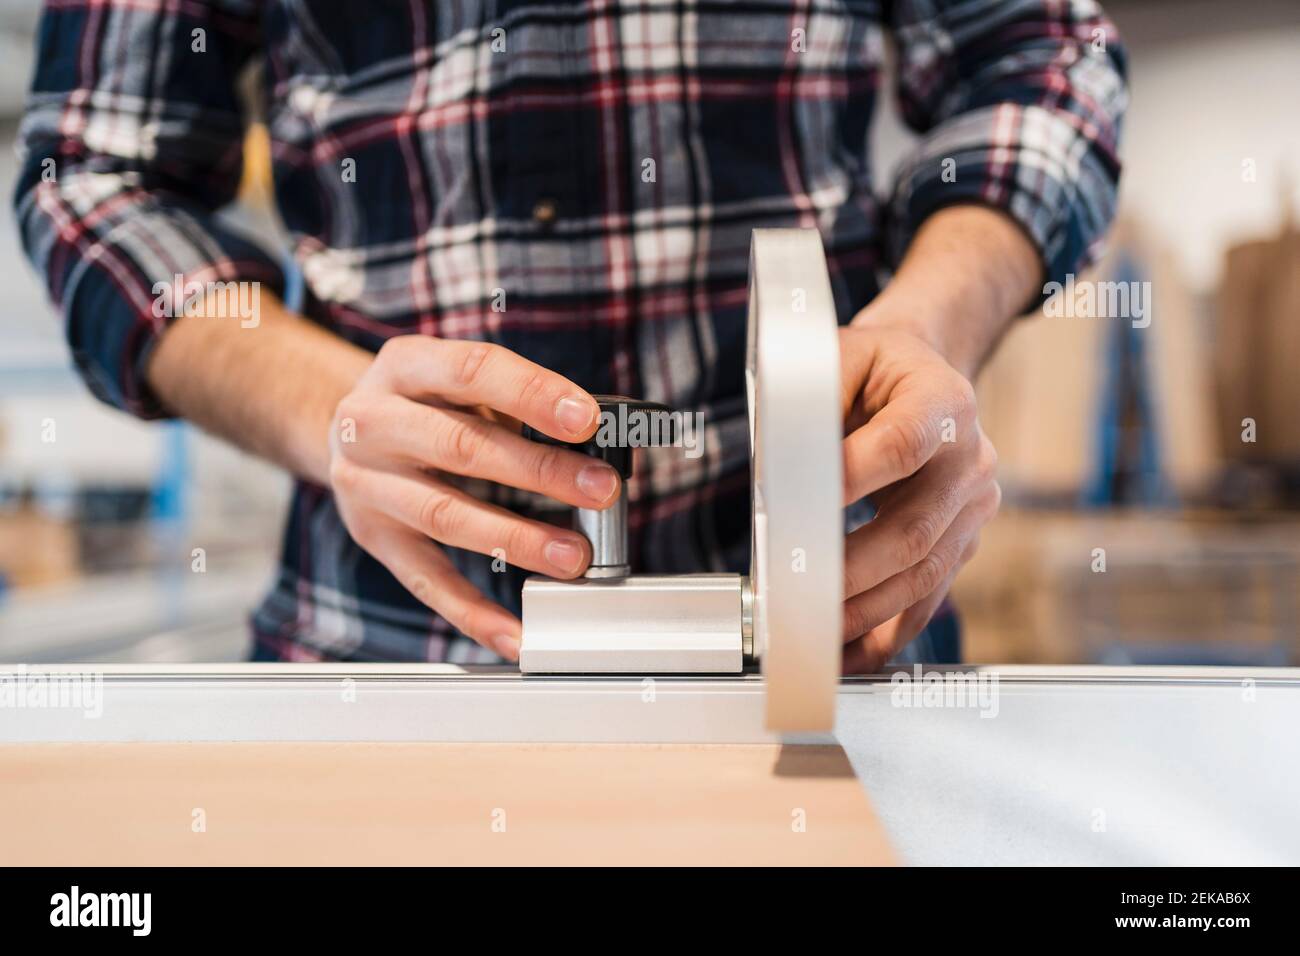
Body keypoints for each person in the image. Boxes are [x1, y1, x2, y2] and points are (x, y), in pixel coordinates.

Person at [13, 0, 1126, 668]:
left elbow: (1039, 64)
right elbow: (95, 177)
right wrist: (327, 410)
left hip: (832, 655)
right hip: (388, 659)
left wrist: (931, 320)